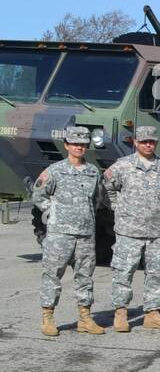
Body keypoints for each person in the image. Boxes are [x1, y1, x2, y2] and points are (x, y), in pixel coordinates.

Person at [103, 126, 160, 332]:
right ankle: (121, 313)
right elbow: (106, 188)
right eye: (144, 141)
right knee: (123, 272)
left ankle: (153, 313)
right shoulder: (122, 166)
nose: (148, 144)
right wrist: (117, 207)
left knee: (155, 273)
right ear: (135, 143)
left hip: (156, 231)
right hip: (129, 230)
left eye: (152, 141)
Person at [34, 126, 104, 336]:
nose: (79, 147)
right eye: (75, 144)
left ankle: (85, 318)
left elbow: (97, 199)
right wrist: (53, 212)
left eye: (83, 144)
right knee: (52, 276)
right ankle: (47, 317)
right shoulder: (54, 171)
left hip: (85, 234)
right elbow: (38, 196)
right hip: (60, 234)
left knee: (85, 277)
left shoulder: (93, 171)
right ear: (66, 145)